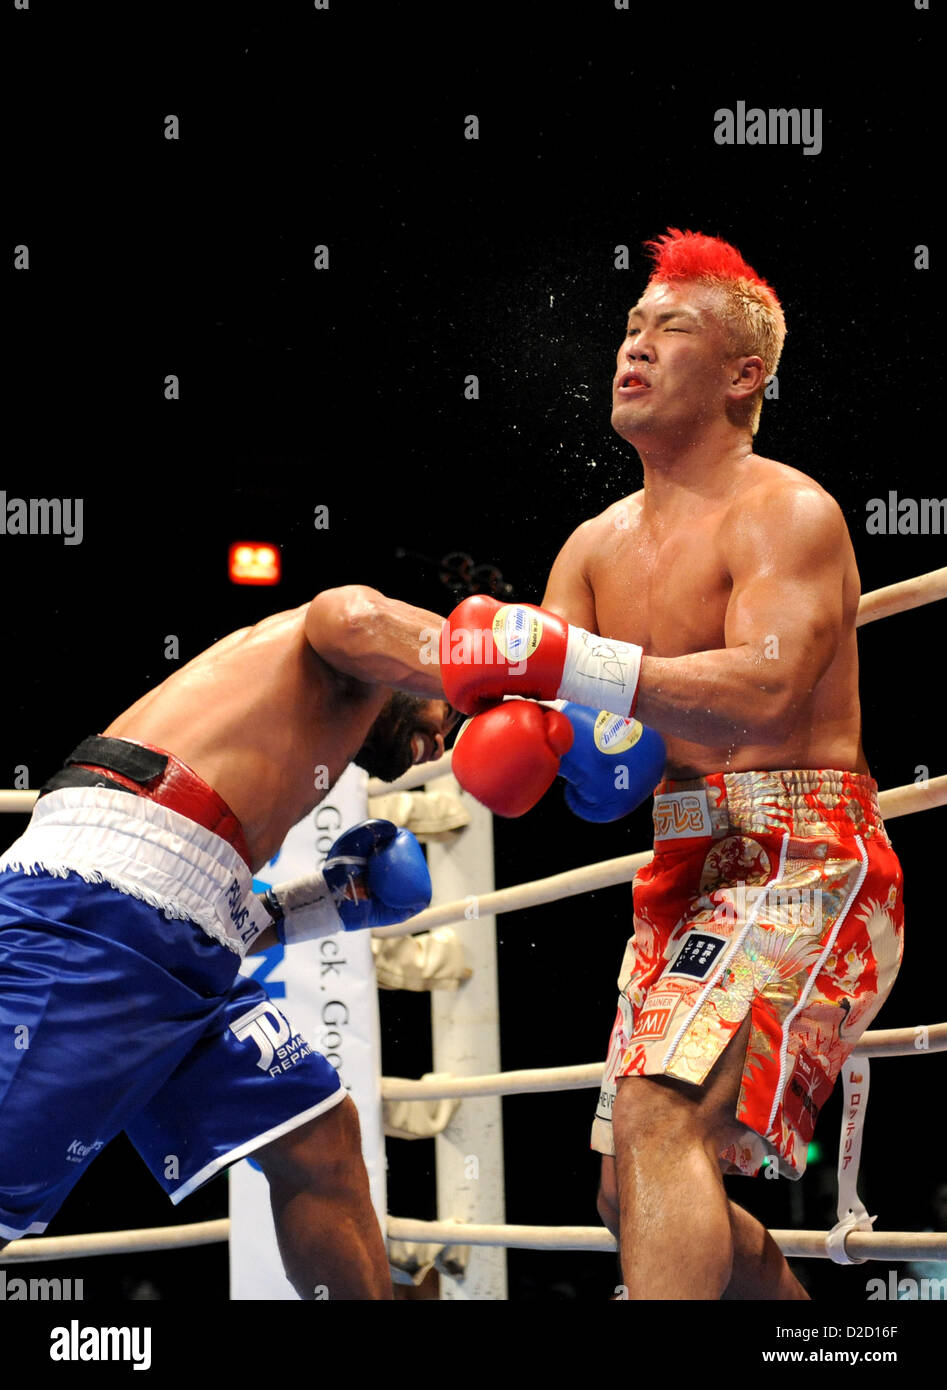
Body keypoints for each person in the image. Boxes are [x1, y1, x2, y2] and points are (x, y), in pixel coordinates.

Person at [440, 228, 905, 1299]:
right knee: (626, 1190)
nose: (634, 345)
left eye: (671, 328)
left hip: (805, 858)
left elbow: (765, 694)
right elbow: (568, 734)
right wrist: (507, 731)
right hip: (680, 872)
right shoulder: (590, 546)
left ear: (745, 374)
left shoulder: (784, 510)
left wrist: (573, 661)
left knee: (660, 1119)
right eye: (629, 327)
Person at [0, 586, 458, 1300]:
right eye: (448, 708)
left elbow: (193, 900)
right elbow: (348, 614)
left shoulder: (303, 728)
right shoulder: (346, 641)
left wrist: (328, 902)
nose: (449, 735)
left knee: (320, 1141)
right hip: (93, 923)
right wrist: (514, 672)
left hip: (170, 945)